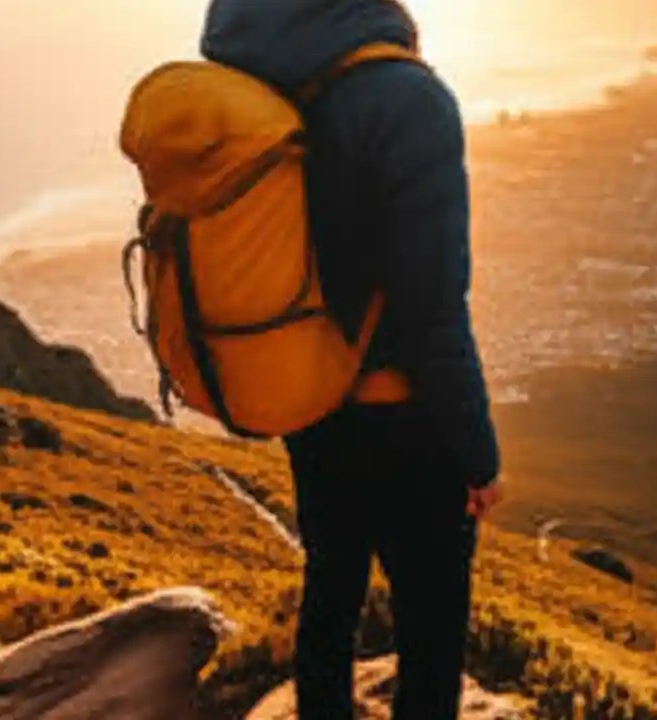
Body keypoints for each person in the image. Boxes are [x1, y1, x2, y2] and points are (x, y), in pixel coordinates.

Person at [201, 1, 504, 718]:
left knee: (330, 595)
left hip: (309, 401)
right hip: (407, 419)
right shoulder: (407, 98)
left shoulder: (258, 83)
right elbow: (432, 305)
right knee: (430, 631)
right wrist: (478, 454)